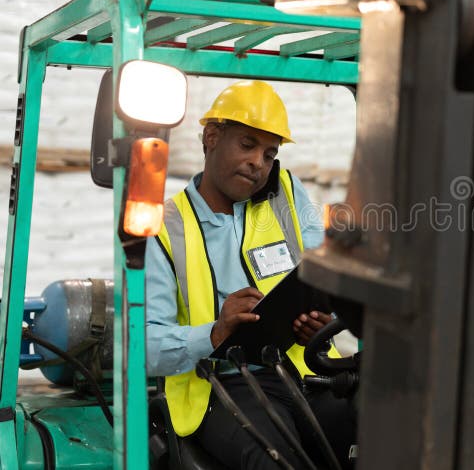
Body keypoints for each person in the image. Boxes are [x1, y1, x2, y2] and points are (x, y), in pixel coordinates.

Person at [145, 80, 356, 469]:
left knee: (379, 432)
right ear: (211, 137)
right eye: (247, 144)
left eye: (270, 153)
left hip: (302, 371)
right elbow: (144, 347)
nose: (259, 162)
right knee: (278, 461)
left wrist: (319, 322)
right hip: (220, 385)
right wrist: (216, 331)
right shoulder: (161, 227)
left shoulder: (287, 196)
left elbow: (320, 276)